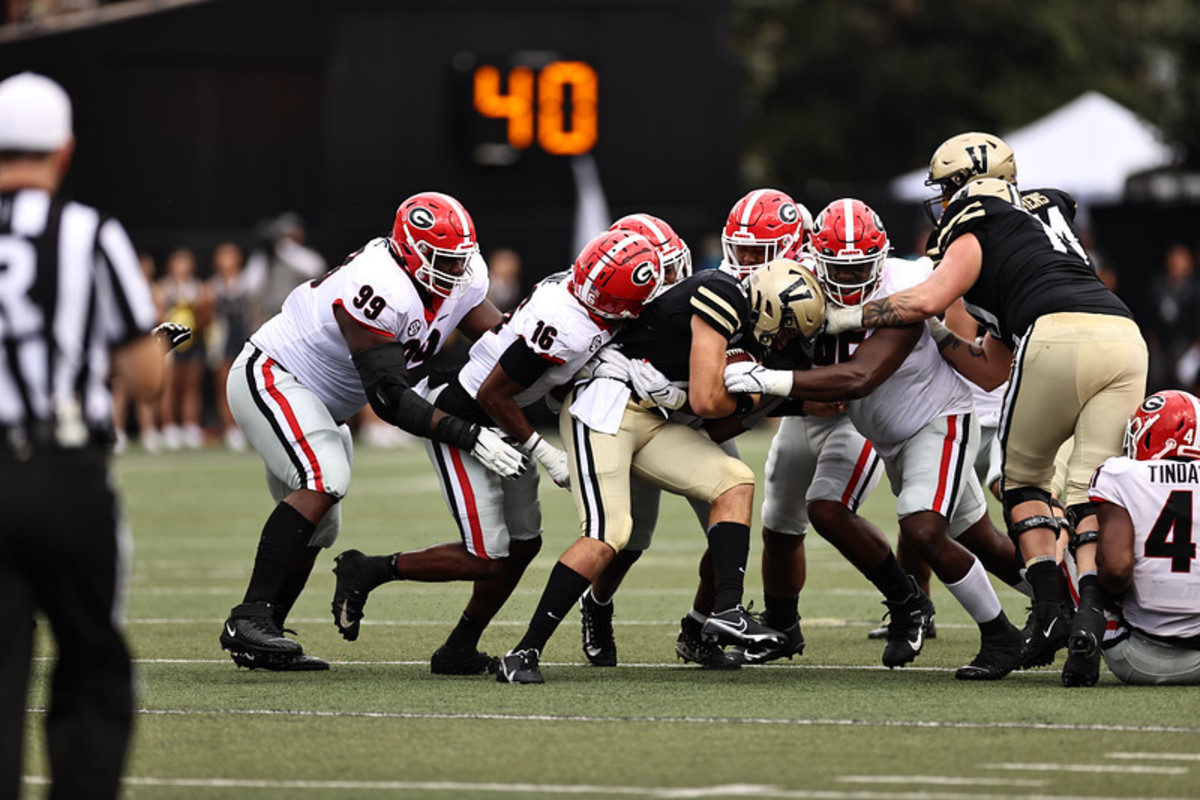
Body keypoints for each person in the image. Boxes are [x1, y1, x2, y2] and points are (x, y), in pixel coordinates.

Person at [824, 133, 1148, 685]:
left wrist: (844, 319)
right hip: (1124, 338)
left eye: (946, 187)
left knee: (1022, 484)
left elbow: (926, 296)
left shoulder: (977, 217)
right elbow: (991, 367)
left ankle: (1048, 614)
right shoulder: (1043, 217)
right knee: (1085, 489)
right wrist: (939, 334)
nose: (943, 199)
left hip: (1056, 335)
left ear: (963, 185)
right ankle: (1090, 613)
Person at [328, 228, 664, 675]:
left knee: (525, 544)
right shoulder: (567, 321)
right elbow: (493, 393)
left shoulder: (574, 300)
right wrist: (544, 452)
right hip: (463, 415)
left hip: (501, 418)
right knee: (487, 557)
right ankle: (368, 569)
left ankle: (459, 650)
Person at [219, 191, 528, 671]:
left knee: (322, 524)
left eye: (460, 258)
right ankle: (248, 616)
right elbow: (389, 399)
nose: (455, 270)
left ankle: (265, 635)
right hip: (275, 373)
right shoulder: (379, 284)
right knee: (323, 479)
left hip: (321, 402)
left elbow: (502, 339)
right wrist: (469, 434)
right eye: (442, 259)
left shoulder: (460, 277)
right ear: (409, 249)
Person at [729, 199, 1026, 679]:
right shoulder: (799, 280)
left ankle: (1000, 635)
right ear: (815, 257)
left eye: (861, 268)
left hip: (937, 418)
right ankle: (1065, 606)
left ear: (881, 257)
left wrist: (768, 380)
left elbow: (860, 377)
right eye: (839, 270)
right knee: (983, 542)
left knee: (921, 526)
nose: (849, 281)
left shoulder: (905, 285)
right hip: (889, 435)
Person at [496, 257, 826, 684]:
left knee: (735, 481)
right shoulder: (721, 291)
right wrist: (753, 397)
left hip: (652, 416)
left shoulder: (748, 326)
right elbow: (708, 402)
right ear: (766, 308)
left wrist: (769, 396)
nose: (785, 341)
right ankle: (524, 651)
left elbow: (715, 417)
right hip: (605, 405)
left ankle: (726, 613)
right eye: (785, 328)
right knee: (609, 534)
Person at [0, 71, 184, 800]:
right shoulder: (90, 234)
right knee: (89, 661)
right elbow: (143, 380)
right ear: (64, 151)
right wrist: (159, 340)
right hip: (64, 469)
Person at [1090, 389, 1200, 685]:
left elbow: (1115, 569)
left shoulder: (1121, 474)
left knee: (1082, 536)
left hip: (1140, 656)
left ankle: (1075, 629)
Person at [157, 246, 209, 449]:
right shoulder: (163, 288)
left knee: (191, 386)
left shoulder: (199, 288)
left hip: (193, 342)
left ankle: (190, 426)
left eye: (186, 262)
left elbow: (205, 318)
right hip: (170, 344)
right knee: (169, 387)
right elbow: (158, 315)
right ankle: (169, 427)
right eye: (178, 262)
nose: (182, 267)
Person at [206, 241, 254, 451]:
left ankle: (250, 429)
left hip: (244, 336)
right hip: (224, 339)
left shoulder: (248, 283)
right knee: (224, 385)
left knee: (249, 384)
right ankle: (230, 429)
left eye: (230, 256)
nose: (226, 261)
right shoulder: (212, 287)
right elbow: (208, 318)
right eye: (222, 256)